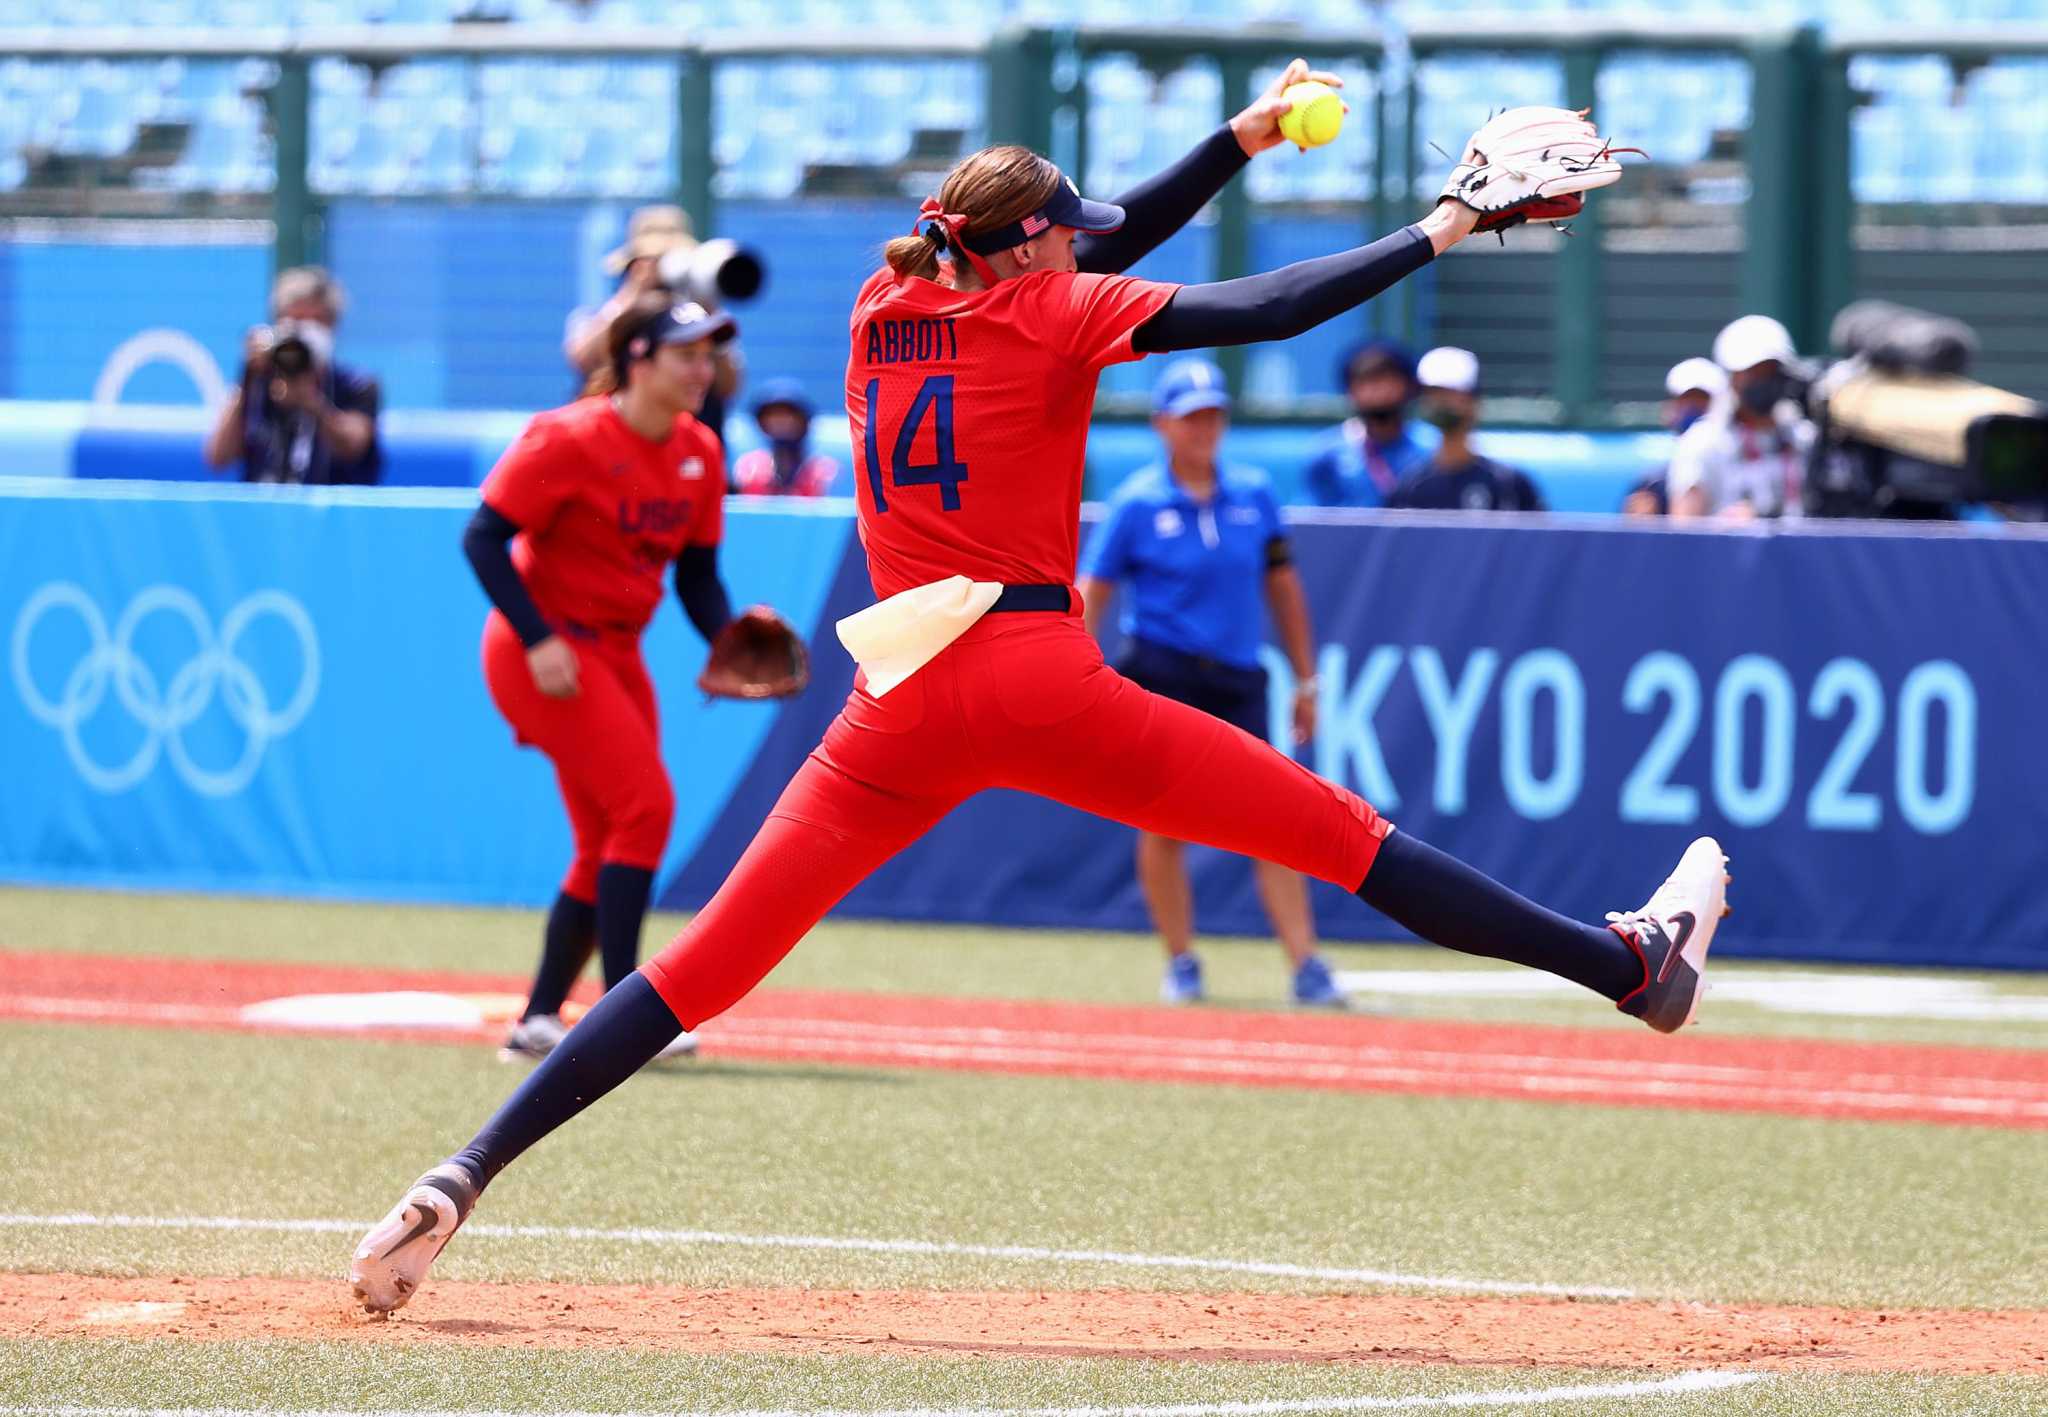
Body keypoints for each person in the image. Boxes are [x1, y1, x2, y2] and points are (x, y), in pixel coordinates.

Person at [352, 64, 1729, 1315]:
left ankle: (462, 1176)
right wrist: (1448, 226)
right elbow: (1267, 306)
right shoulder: (1054, 316)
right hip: (1034, 675)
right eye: (1061, 230)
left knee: (702, 965)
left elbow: (1087, 249)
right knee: (1340, 836)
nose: (1079, 243)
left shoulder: (886, 304)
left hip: (900, 696)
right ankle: (1626, 967)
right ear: (1026, 247)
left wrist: (1239, 140)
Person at [458, 294, 744, 1064]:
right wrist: (539, 636)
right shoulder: (568, 436)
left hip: (615, 651)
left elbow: (697, 578)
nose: (701, 368)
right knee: (646, 808)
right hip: (540, 649)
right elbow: (484, 537)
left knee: (604, 836)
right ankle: (629, 1016)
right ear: (637, 360)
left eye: (708, 353)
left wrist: (727, 641)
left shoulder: (700, 451)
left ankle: (540, 1019)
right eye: (685, 353)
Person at [1078, 357, 1341, 1009]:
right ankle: (1182, 960)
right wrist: (1073, 675)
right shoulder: (1137, 503)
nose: (1204, 428)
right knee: (1163, 821)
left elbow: (1283, 588)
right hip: (1161, 673)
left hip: (1238, 678)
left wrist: (1306, 678)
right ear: (1162, 423)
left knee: (1275, 818)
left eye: (1213, 415)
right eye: (1191, 416)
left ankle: (1305, 963)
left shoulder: (1253, 494)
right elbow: (1093, 594)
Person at [564, 205, 743, 445]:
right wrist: (633, 295)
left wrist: (706, 309)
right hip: (607, 450)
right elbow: (582, 358)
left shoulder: (700, 318)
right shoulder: (603, 313)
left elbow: (728, 385)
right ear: (633, 265)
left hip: (688, 457)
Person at [203, 266, 381, 485]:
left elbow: (352, 447)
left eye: (316, 321)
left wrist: (312, 403)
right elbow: (218, 457)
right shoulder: (260, 383)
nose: (305, 331)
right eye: (295, 320)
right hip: (267, 513)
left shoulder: (356, 385)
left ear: (333, 326)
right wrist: (248, 376)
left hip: (333, 516)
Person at [1668, 314, 1815, 521]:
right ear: (1732, 377)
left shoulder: (1805, 439)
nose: (1764, 380)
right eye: (1753, 373)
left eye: (1771, 371)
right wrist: (1726, 526)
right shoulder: (1703, 443)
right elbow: (1682, 532)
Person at [1386, 347, 1544, 512]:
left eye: (1449, 393)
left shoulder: (1509, 485)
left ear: (1473, 400)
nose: (1440, 402)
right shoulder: (1409, 486)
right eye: (1432, 393)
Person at [1302, 338, 1433, 507]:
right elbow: (1312, 521)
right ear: (1350, 391)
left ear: (1408, 386)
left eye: (1386, 379)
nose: (1377, 391)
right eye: (1365, 381)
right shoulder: (1325, 456)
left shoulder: (1432, 448)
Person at [1622, 357, 1726, 517]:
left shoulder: (1735, 468)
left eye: (1702, 402)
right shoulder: (1653, 485)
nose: (1693, 409)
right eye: (1686, 401)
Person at [731, 379, 840, 497]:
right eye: (772, 415)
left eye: (789, 414)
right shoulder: (750, 468)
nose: (780, 421)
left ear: (803, 420)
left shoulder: (824, 470)